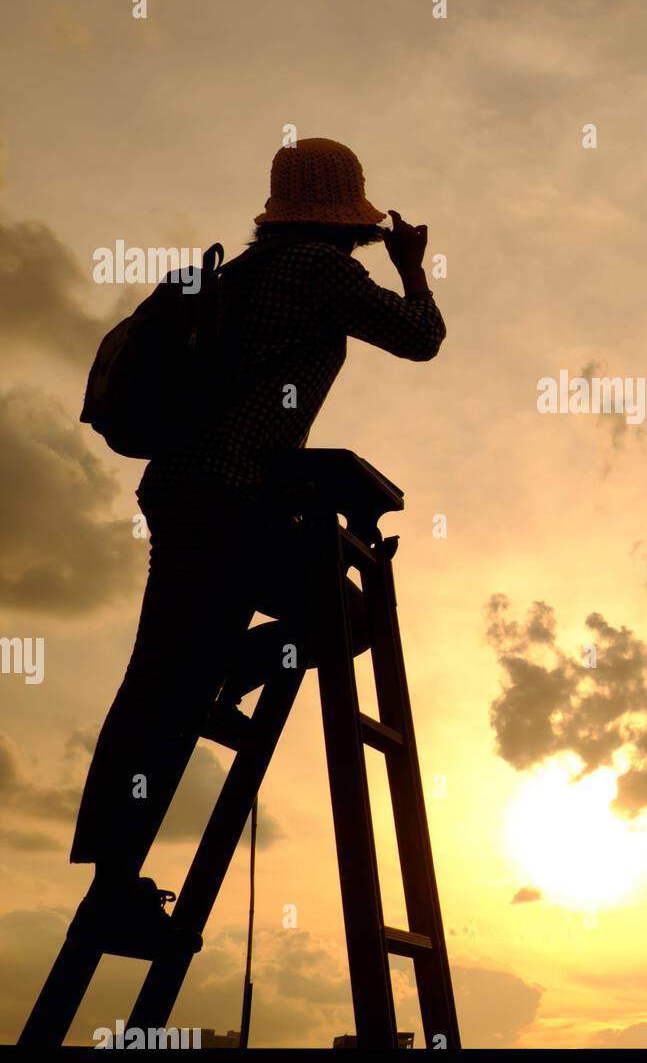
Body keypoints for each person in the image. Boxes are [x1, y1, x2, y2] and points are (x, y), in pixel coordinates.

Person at [69, 137, 446, 956]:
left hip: (184, 492)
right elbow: (421, 337)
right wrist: (414, 264)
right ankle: (114, 891)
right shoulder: (319, 271)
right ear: (347, 217)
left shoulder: (237, 275)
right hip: (231, 503)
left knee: (158, 683)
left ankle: (113, 883)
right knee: (343, 620)